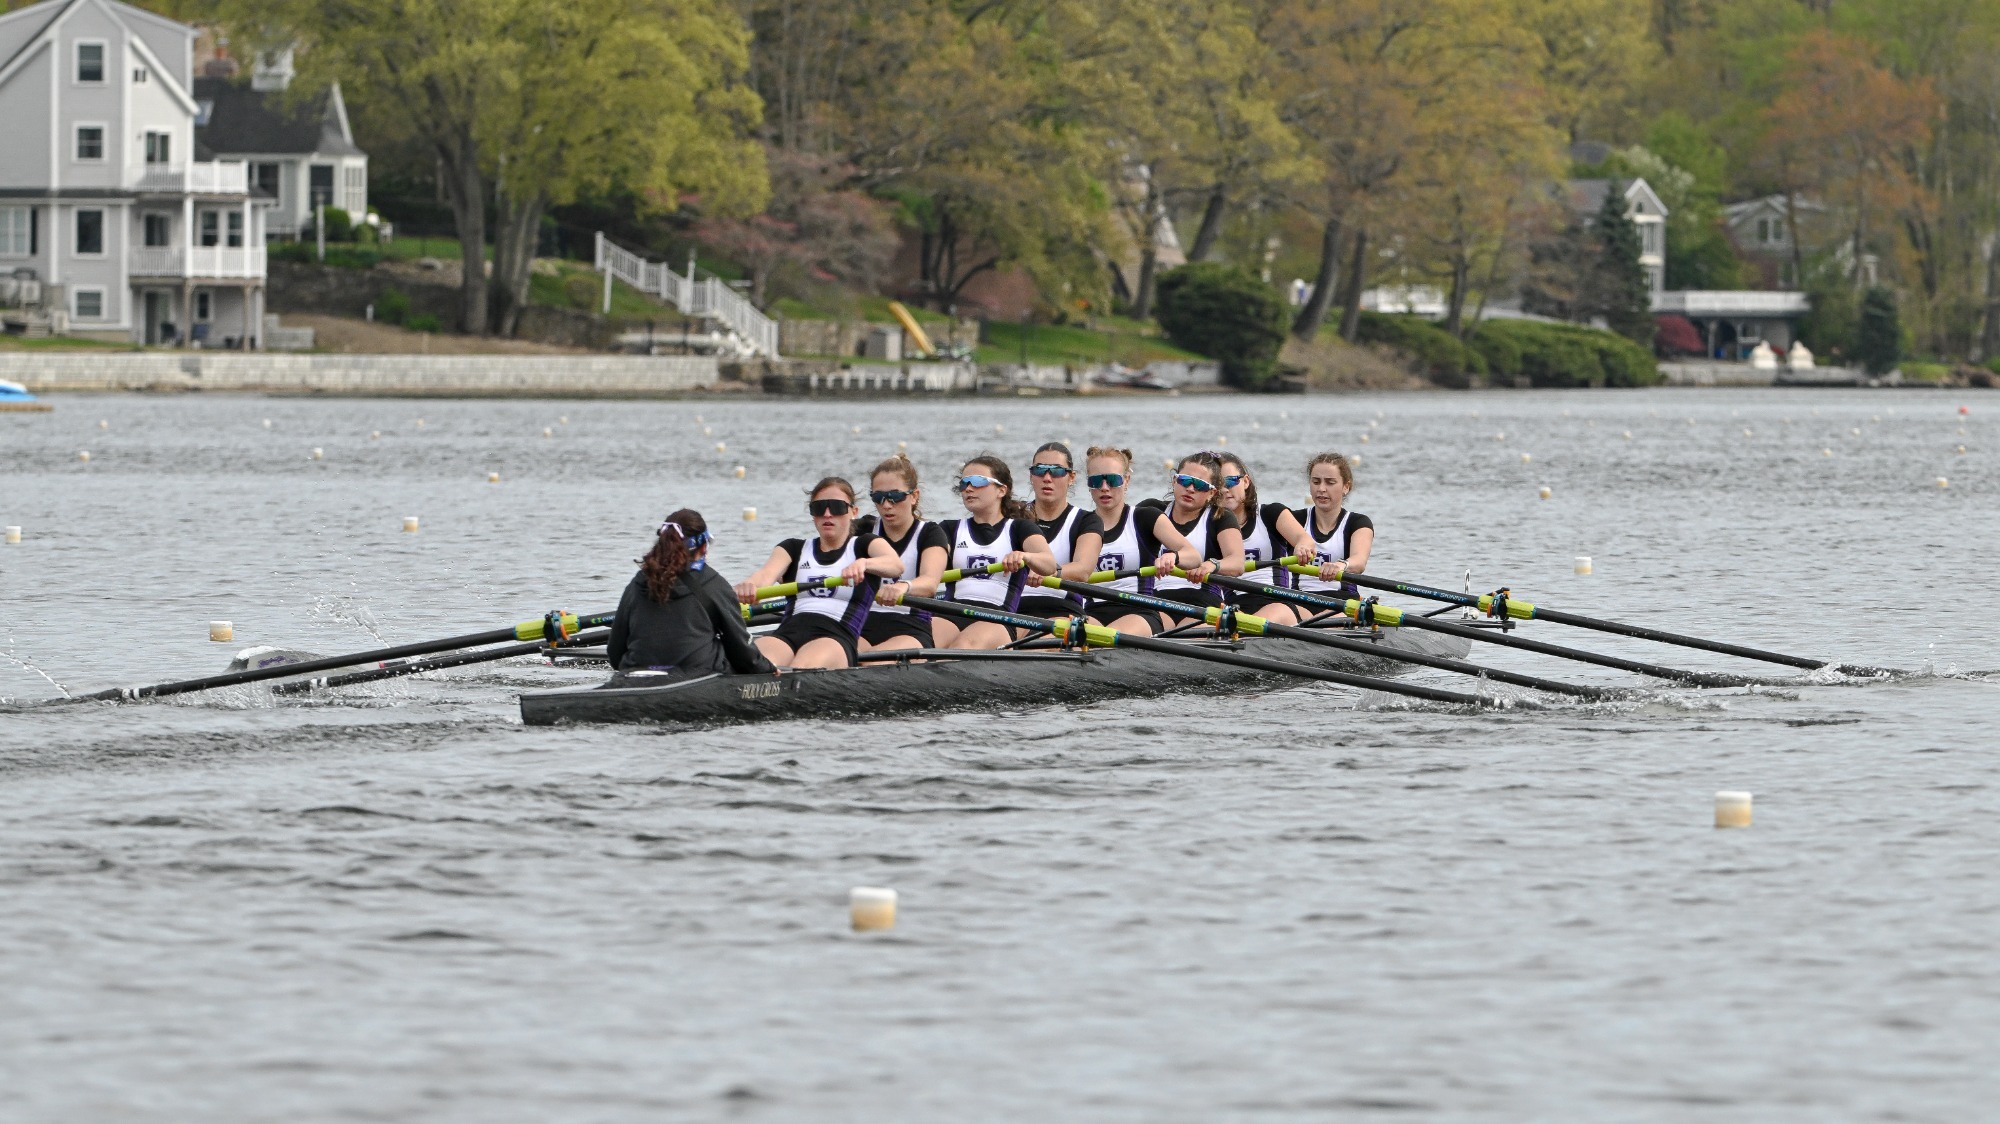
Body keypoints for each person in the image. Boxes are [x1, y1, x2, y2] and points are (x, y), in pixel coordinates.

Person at [734, 477, 904, 669]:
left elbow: (896, 565)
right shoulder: (793, 548)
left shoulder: (865, 545)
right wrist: (749, 585)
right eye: (819, 508)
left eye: (837, 507)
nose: (828, 514)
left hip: (835, 639)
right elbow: (765, 576)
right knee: (751, 665)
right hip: (787, 634)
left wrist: (864, 564)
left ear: (853, 512)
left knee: (802, 668)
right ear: (812, 514)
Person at [606, 509, 778, 677]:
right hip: (699, 675)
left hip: (636, 672)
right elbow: (743, 653)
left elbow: (615, 652)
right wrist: (767, 669)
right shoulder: (713, 584)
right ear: (703, 547)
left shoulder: (637, 583)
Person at [930, 454, 1059, 649]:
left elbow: (1049, 565)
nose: (968, 489)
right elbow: (928, 560)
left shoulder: (1020, 529)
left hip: (998, 618)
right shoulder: (949, 529)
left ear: (1001, 490)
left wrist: (1025, 556)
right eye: (964, 483)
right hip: (952, 611)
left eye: (978, 482)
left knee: (964, 646)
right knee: (923, 643)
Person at [1079, 446, 1206, 635]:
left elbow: (1193, 556)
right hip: (1092, 613)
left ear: (1127, 480)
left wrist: (1173, 557)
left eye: (1113, 480)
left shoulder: (1145, 518)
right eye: (1096, 481)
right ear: (1089, 485)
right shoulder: (1079, 524)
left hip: (1140, 612)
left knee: (1098, 639)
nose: (1104, 487)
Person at [1139, 450, 1245, 625]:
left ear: (1212, 493)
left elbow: (1237, 563)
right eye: (1185, 481)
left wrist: (1212, 564)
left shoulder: (1220, 517)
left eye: (1200, 485)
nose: (1190, 489)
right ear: (1175, 481)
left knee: (1184, 635)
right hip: (1156, 600)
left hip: (1203, 602)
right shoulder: (1151, 511)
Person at [859, 454, 950, 653]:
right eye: (878, 497)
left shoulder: (930, 533)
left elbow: (930, 583)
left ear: (914, 496)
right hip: (861, 624)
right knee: (842, 657)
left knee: (870, 659)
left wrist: (903, 587)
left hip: (910, 627)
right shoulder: (862, 529)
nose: (886, 505)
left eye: (895, 496)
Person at [1217, 452, 1322, 625]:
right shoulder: (1210, 526)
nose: (1225, 489)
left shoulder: (1270, 514)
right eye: (1218, 484)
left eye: (1231, 481)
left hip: (1276, 603)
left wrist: (1302, 547)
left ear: (1245, 482)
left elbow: (1304, 539)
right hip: (1232, 608)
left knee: (1246, 624)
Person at [1012, 441, 1105, 625]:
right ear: (1031, 476)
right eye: (1040, 470)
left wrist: (1048, 572)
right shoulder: (1012, 516)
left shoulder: (1086, 521)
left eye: (1056, 471)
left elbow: (1083, 570)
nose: (1047, 478)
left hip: (1062, 610)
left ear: (1071, 477)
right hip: (1011, 607)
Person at [1292, 451, 1374, 601]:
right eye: (1316, 482)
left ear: (1346, 487)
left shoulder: (1358, 523)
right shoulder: (1293, 520)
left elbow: (1359, 561)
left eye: (1330, 482)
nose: (1321, 489)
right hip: (1298, 600)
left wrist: (1340, 565)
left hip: (1342, 602)